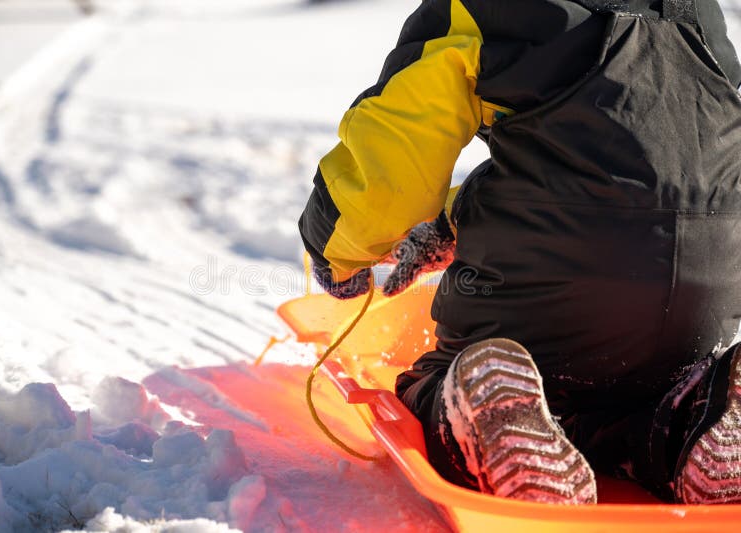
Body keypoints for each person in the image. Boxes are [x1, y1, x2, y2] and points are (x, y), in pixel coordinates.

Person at [299, 0, 741, 504]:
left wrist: (336, 247)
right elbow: (645, 162)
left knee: (440, 379)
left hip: (559, 294)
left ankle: (489, 410)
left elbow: (391, 168)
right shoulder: (698, 12)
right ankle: (694, 419)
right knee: (639, 402)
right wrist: (453, 218)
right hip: (709, 284)